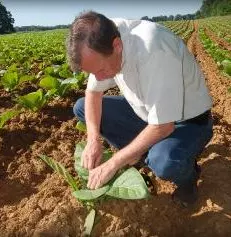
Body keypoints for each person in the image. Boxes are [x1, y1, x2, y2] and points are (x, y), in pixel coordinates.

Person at [66, 11, 213, 207]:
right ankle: (141, 154)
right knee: (82, 107)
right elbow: (92, 93)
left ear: (117, 45)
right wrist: (92, 140)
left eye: (101, 70)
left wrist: (114, 162)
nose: (100, 78)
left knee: (165, 162)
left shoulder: (154, 49)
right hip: (147, 113)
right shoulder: (103, 40)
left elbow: (163, 126)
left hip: (188, 122)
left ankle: (188, 179)